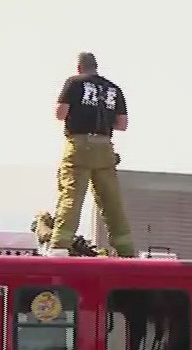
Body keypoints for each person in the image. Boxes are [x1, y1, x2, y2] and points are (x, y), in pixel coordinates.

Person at [47, 52, 136, 258]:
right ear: (96, 67)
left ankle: (59, 246)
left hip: (79, 146)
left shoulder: (74, 82)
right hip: (105, 148)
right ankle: (126, 251)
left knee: (72, 196)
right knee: (112, 201)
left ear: (79, 67)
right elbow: (122, 124)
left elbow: (60, 113)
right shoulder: (113, 89)